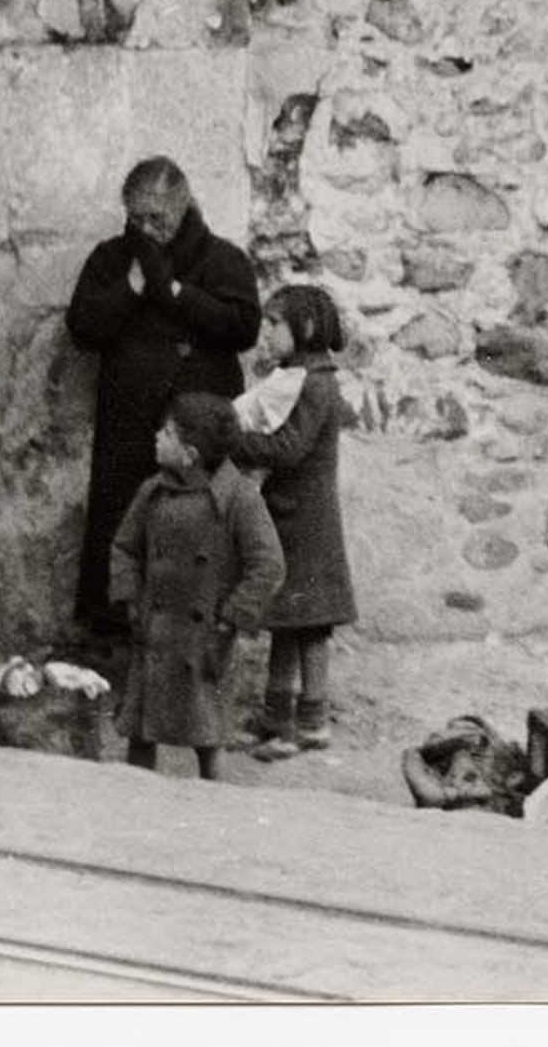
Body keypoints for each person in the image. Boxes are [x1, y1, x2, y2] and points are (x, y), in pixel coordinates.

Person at [65, 158, 261, 641]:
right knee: (124, 526)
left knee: (198, 528)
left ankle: (198, 638)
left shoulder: (223, 260)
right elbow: (83, 328)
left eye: (160, 219)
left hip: (197, 428)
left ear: (184, 205)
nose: (149, 230)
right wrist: (132, 288)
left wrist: (175, 293)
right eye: (138, 219)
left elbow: (244, 327)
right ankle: (114, 639)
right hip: (130, 422)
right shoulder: (111, 259)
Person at [109, 392, 285, 780]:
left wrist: (231, 617)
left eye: (167, 433)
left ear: (189, 454)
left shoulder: (239, 499)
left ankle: (214, 796)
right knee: (142, 728)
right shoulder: (152, 492)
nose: (157, 436)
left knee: (207, 728)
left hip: (205, 638)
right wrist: (130, 599)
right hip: (154, 632)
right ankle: (135, 792)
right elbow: (124, 547)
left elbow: (268, 564)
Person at [228, 285, 360, 760]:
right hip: (290, 512)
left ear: (303, 327)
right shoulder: (298, 377)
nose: (266, 333)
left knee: (310, 622)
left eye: (274, 324)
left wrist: (234, 440)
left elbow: (289, 448)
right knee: (287, 618)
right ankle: (276, 716)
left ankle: (310, 724)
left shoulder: (317, 384)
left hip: (308, 518)